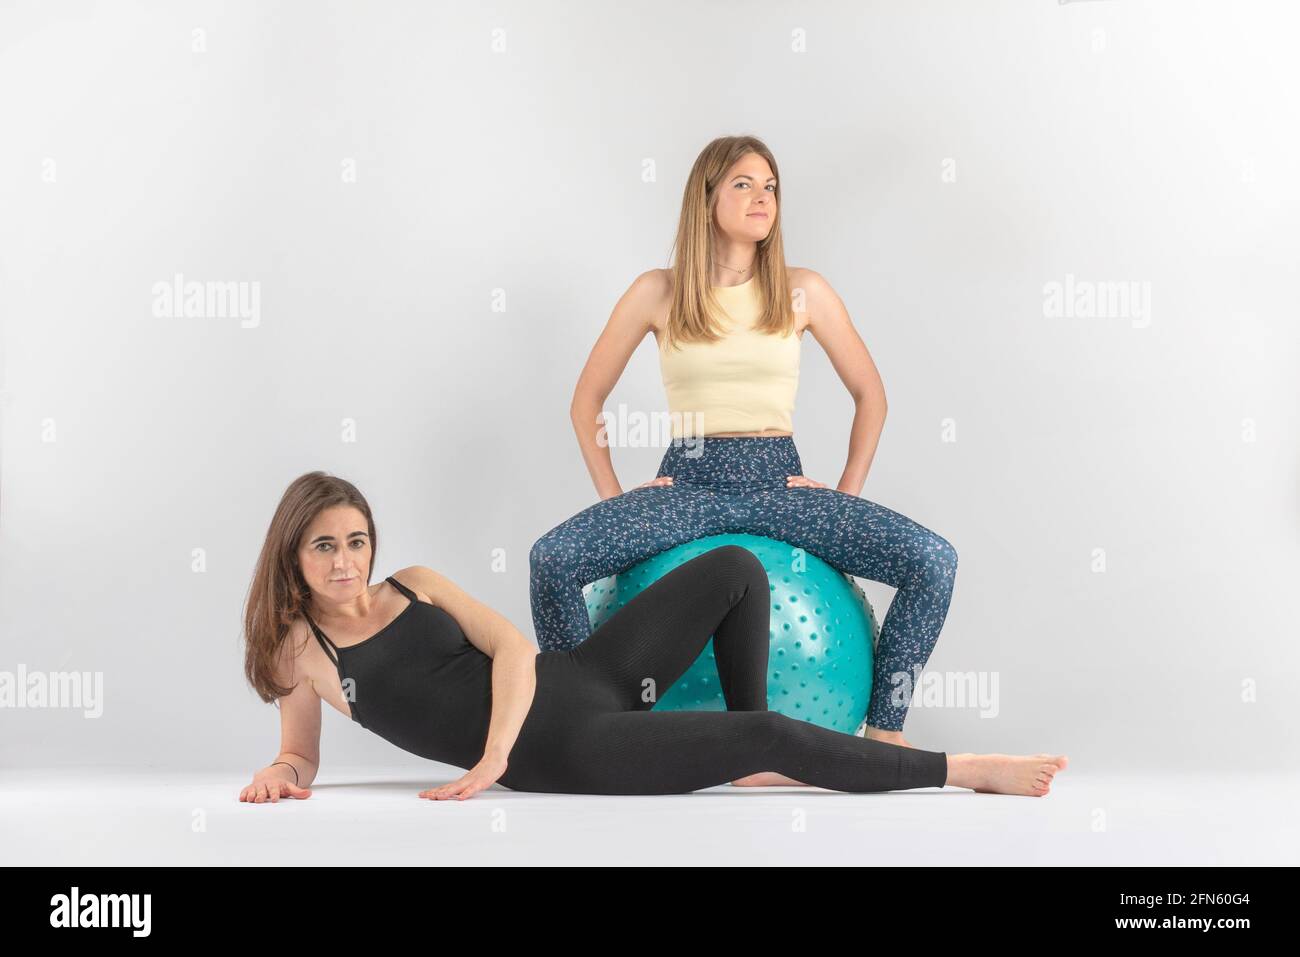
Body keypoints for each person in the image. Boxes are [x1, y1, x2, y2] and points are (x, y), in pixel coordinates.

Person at [239, 472, 1066, 802]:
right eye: (325, 546)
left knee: (737, 565)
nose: (348, 561)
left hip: (578, 677)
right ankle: (964, 771)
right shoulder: (296, 651)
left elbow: (514, 649)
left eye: (356, 540)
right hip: (566, 746)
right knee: (777, 726)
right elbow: (300, 751)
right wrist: (282, 772)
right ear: (294, 554)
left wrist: (483, 756)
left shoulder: (413, 581)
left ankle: (748, 760)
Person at [529, 135, 961, 746]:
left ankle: (885, 734)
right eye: (743, 184)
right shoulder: (659, 290)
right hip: (688, 483)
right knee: (553, 560)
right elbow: (585, 404)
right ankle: (579, 727)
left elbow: (871, 395)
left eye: (771, 186)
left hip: (778, 480)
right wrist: (612, 497)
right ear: (705, 198)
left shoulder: (803, 289)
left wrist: (846, 495)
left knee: (933, 561)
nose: (763, 197)